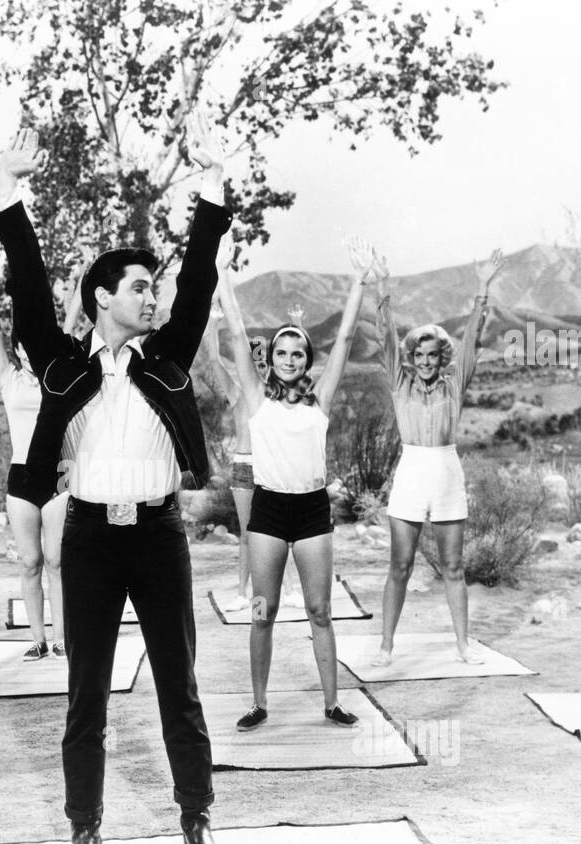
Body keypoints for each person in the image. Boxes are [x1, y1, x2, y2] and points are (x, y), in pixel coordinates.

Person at [0, 118, 229, 844]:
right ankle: (84, 831)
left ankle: (196, 819)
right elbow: (29, 291)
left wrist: (212, 184)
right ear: (102, 297)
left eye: (154, 288)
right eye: (139, 287)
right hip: (89, 540)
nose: (153, 297)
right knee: (85, 695)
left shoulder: (168, 359)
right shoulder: (62, 364)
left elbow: (200, 280)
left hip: (159, 537)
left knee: (178, 688)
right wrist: (9, 190)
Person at [218, 237, 373, 730]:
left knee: (319, 610)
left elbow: (344, 340)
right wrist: (222, 273)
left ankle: (332, 703)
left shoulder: (319, 401)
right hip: (267, 511)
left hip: (310, 513)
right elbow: (237, 332)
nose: (288, 359)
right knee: (262, 611)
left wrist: (359, 281)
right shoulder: (256, 398)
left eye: (297, 353)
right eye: (281, 352)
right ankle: (259, 703)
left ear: (307, 360)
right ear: (272, 357)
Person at [371, 249, 505, 666]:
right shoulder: (400, 383)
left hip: (447, 474)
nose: (426, 361)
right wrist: (382, 287)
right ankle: (386, 647)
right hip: (411, 473)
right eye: (419, 355)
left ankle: (463, 645)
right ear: (411, 358)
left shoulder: (454, 384)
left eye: (433, 355)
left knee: (453, 566)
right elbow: (385, 338)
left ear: (442, 357)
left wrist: (482, 288)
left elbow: (473, 338)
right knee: (400, 566)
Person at [0, 248, 69, 660]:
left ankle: (62, 638)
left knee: (56, 562)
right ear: (18, 349)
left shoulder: (58, 377)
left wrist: (79, 285)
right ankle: (37, 640)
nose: (29, 351)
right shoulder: (9, 379)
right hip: (21, 479)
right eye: (24, 346)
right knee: (30, 562)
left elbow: (70, 322)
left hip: (59, 475)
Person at [201, 298, 262, 609]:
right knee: (248, 534)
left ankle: (287, 590)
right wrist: (213, 323)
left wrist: (299, 326)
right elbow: (214, 360)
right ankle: (242, 593)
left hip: (272, 468)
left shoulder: (277, 397)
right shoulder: (238, 393)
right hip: (244, 467)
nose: (260, 366)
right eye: (255, 360)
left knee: (278, 535)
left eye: (264, 361)